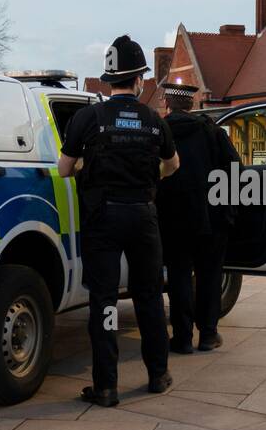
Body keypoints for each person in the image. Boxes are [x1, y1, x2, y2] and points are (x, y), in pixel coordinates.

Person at [58, 35, 179, 408]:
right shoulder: (154, 120)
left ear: (109, 80)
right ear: (140, 79)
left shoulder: (87, 118)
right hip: (142, 215)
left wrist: (85, 166)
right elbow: (173, 166)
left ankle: (106, 386)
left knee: (105, 302)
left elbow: (64, 169)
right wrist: (146, 178)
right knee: (148, 298)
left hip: (103, 218)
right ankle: (158, 375)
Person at [157, 83, 241, 354]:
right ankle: (208, 334)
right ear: (192, 104)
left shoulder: (158, 131)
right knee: (209, 275)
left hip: (172, 217)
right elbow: (235, 168)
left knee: (179, 276)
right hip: (210, 218)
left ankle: (181, 337)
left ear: (167, 104)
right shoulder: (211, 131)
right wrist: (227, 208)